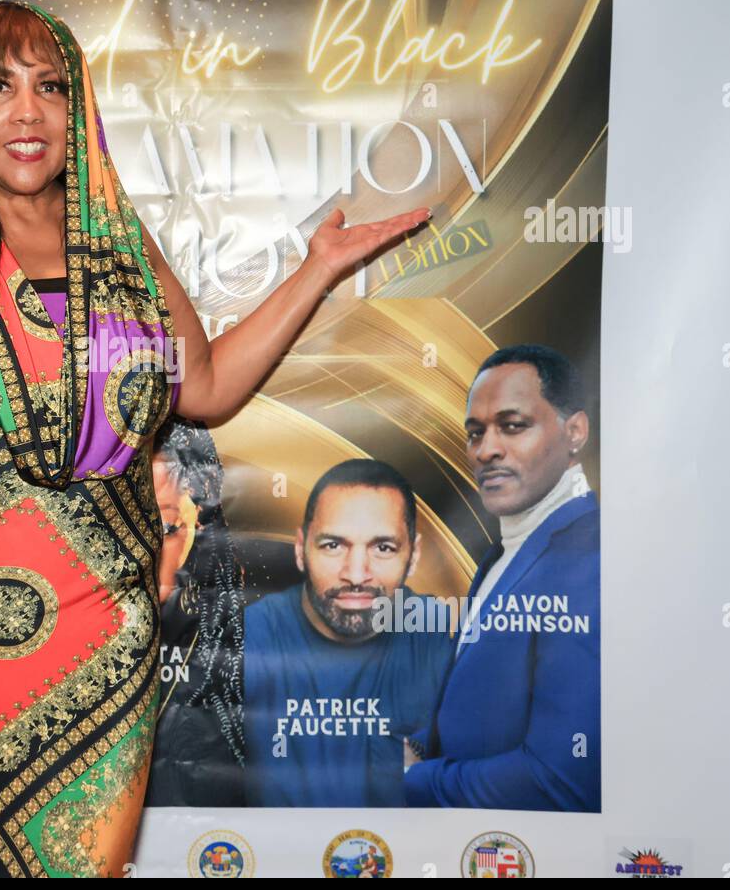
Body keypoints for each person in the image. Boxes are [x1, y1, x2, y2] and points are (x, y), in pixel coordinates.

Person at [0, 0, 432, 878]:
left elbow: (208, 385)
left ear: (80, 112)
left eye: (51, 87)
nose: (27, 111)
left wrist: (317, 272)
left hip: (101, 657)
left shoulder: (122, 252)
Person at [403, 343, 600, 811]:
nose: (486, 450)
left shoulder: (591, 557)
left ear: (574, 431)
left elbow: (560, 779)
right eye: (475, 433)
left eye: (513, 426)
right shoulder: (503, 554)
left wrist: (413, 778)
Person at [243, 459, 454, 808]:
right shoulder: (251, 635)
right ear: (300, 549)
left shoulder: (438, 634)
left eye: (382, 548)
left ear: (413, 556)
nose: (356, 574)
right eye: (333, 545)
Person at [142, 417, 245, 807]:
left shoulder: (237, 632)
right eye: (124, 521)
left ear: (198, 520)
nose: (142, 549)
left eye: (165, 528)